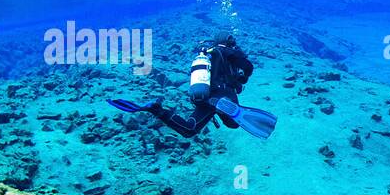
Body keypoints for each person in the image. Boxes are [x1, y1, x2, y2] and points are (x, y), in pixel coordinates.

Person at [109, 35, 277, 139]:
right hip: (223, 92)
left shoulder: (207, 55)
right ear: (229, 42)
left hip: (203, 96)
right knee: (233, 123)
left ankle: (156, 109)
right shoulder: (227, 51)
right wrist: (243, 77)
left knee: (189, 130)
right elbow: (248, 67)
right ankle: (221, 106)